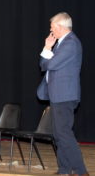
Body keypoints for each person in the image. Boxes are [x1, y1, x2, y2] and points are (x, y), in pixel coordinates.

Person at [37, 12, 88, 176]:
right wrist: (47, 47)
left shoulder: (71, 43)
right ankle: (65, 169)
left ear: (60, 27)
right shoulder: (61, 43)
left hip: (65, 95)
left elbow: (48, 64)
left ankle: (81, 171)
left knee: (64, 133)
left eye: (52, 28)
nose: (51, 31)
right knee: (59, 134)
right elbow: (44, 64)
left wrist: (47, 53)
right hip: (58, 94)